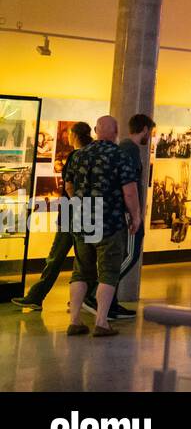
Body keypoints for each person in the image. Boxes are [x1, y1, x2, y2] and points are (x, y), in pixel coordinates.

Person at [64, 116, 141, 337]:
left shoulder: (79, 155)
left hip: (81, 220)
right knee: (108, 272)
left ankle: (75, 320)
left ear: (96, 130)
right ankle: (101, 322)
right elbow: (129, 191)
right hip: (110, 222)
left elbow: (69, 185)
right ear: (116, 131)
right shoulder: (120, 155)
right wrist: (135, 217)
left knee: (80, 271)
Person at [11, 122, 92, 310]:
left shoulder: (76, 156)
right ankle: (82, 298)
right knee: (84, 259)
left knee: (59, 257)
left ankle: (40, 297)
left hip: (73, 212)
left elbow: (70, 186)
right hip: (85, 211)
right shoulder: (93, 155)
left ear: (74, 135)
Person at [86, 113, 154, 321]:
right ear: (143, 129)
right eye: (149, 132)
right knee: (128, 255)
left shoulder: (123, 149)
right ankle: (96, 294)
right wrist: (135, 215)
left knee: (118, 255)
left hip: (101, 214)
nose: (149, 136)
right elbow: (129, 188)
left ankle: (109, 302)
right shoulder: (129, 150)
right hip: (123, 214)